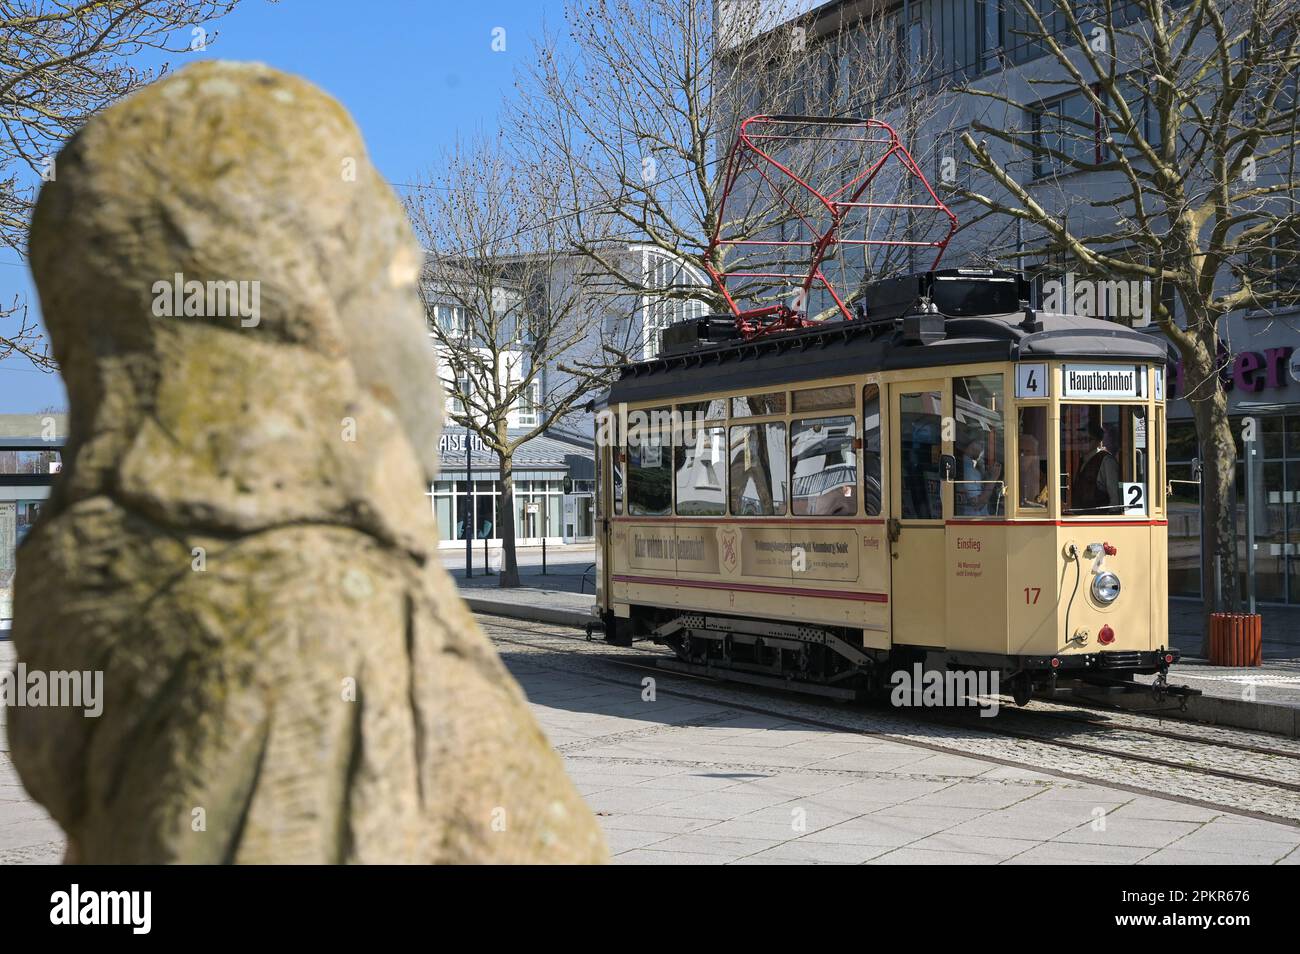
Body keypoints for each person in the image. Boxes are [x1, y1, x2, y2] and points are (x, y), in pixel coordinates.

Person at [1072, 419, 1122, 513]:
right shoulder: (1082, 461)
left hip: (1098, 518)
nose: (1081, 443)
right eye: (1079, 439)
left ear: (1098, 441)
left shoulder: (1106, 461)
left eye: (1086, 439)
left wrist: (1112, 517)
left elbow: (1114, 497)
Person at [956, 430, 1003, 515]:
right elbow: (977, 504)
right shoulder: (969, 470)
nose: (983, 449)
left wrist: (988, 476)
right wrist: (993, 479)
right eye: (980, 444)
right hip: (974, 521)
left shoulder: (972, 466)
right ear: (971, 445)